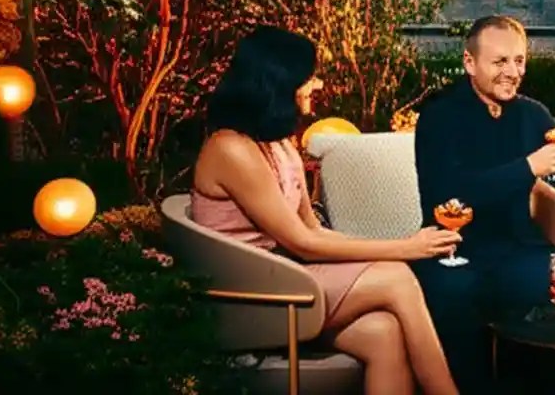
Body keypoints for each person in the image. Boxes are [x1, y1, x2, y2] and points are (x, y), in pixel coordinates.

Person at [190, 26, 461, 395]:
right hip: (251, 299)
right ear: (279, 80)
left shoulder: (279, 144)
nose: (316, 85)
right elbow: (302, 243)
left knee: (384, 332)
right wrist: (404, 248)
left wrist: (401, 245)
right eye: (308, 77)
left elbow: (314, 231)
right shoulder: (231, 149)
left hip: (283, 280)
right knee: (396, 277)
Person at [412, 14, 555, 391]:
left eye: (519, 61)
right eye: (500, 62)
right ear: (469, 62)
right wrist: (528, 168)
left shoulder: (533, 114)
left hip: (521, 249)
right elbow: (448, 195)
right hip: (456, 250)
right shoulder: (440, 114)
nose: (512, 71)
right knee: (453, 292)